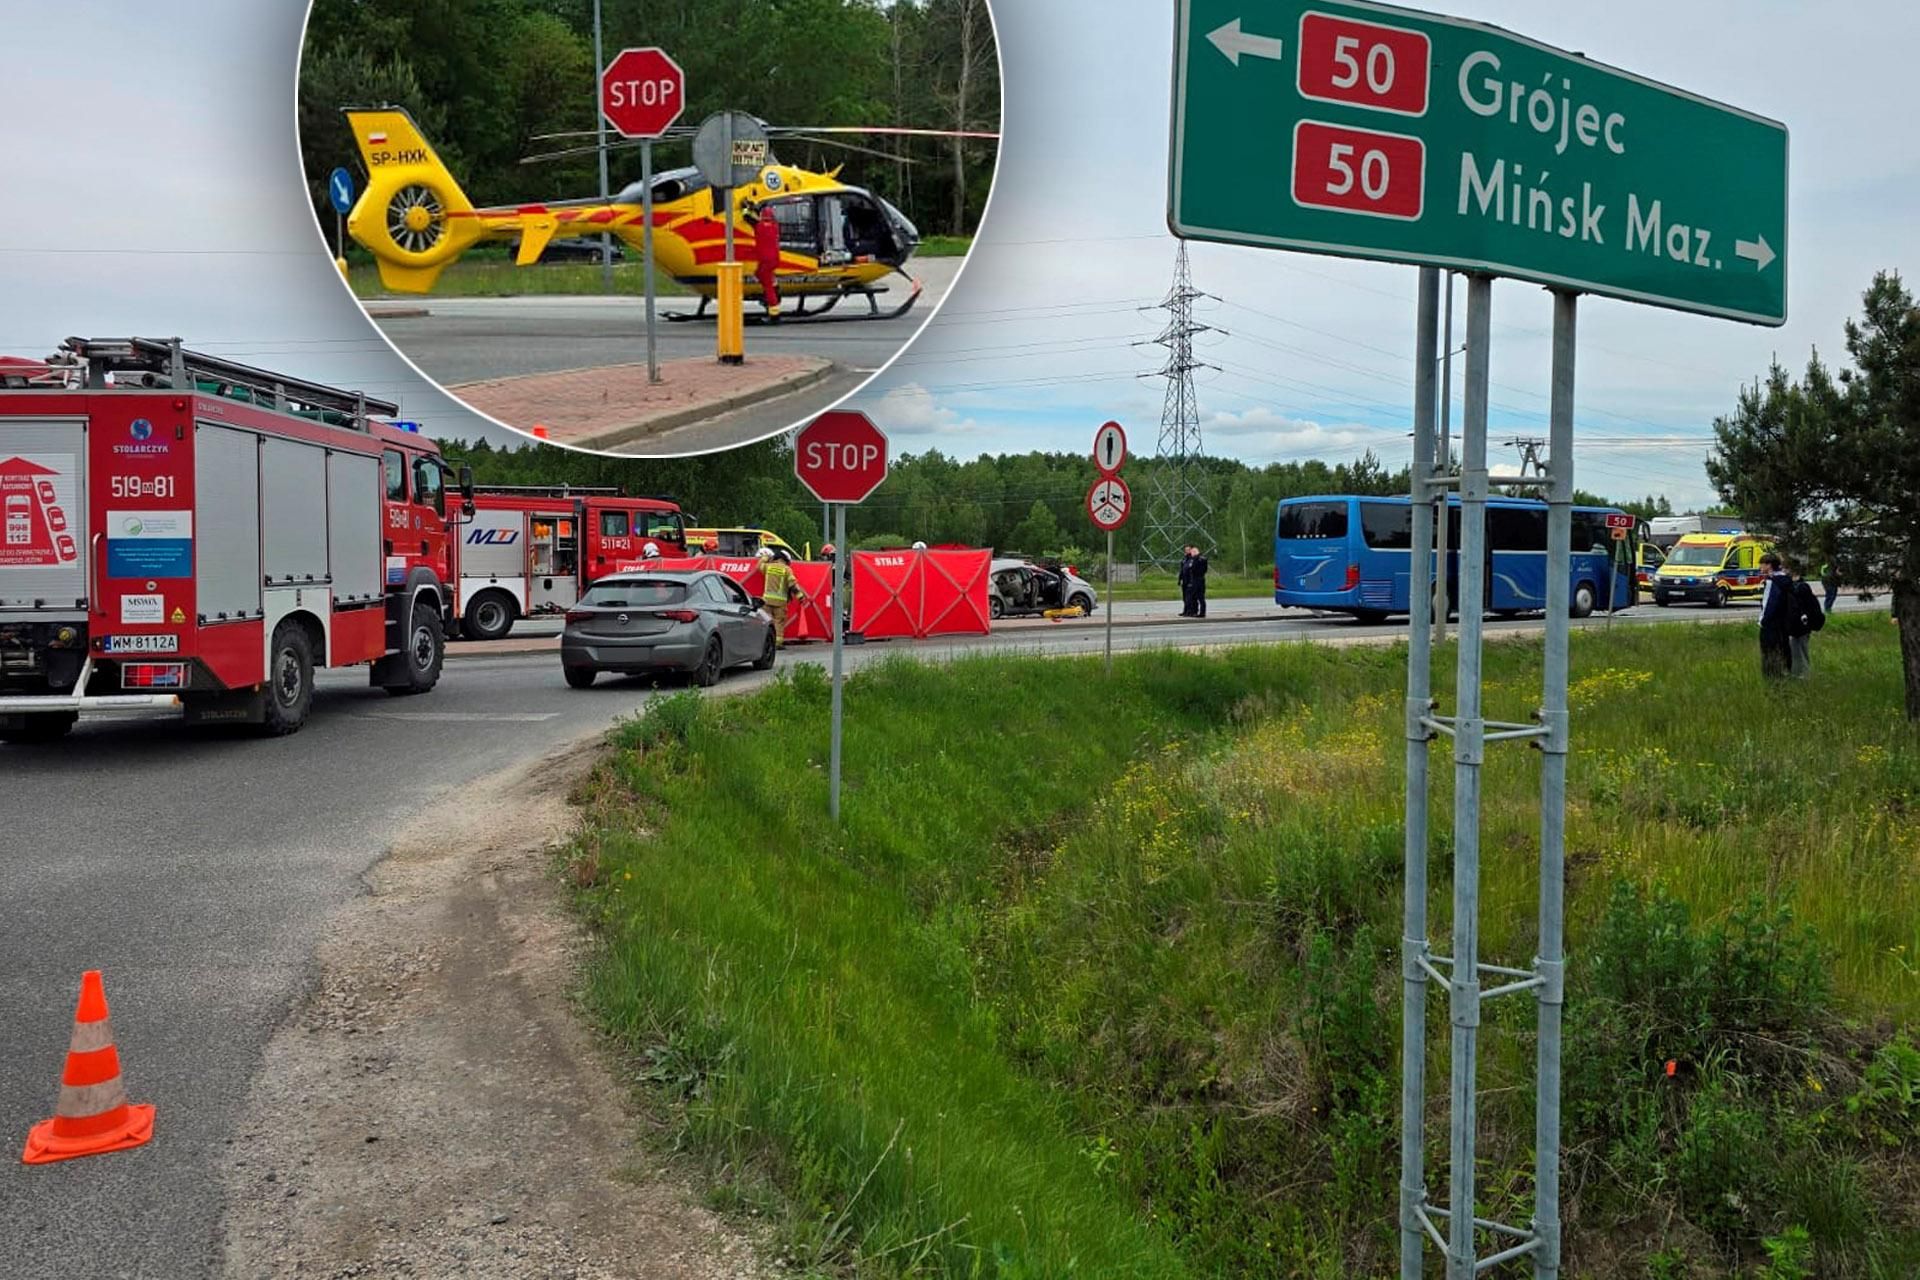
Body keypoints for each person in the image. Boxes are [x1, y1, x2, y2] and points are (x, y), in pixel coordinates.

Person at [1757, 552, 1793, 679]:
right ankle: (1785, 672)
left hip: (1771, 625)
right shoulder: (1786, 581)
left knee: (1769, 652)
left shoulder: (1772, 582)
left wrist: (1763, 621)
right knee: (1783, 648)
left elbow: (1769, 604)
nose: (1760, 568)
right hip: (1783, 623)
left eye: (1762, 564)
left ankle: (1772, 677)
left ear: (1769, 565)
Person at [757, 546, 801, 647]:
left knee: (767, 622)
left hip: (766, 601)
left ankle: (766, 643)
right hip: (780, 603)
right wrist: (800, 596)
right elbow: (792, 584)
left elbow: (759, 566)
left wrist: (764, 557)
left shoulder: (768, 567)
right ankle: (777, 643)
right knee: (778, 623)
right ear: (785, 560)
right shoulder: (786, 569)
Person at [1788, 564, 1825, 678]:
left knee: (1799, 651)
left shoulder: (1800, 588)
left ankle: (1802, 675)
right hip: (1802, 626)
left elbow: (1802, 607)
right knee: (1798, 650)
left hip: (1801, 625)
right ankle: (1800, 673)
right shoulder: (1799, 587)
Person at [747, 201, 782, 322]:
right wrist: (755, 209)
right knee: (760, 275)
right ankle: (775, 287)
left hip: (765, 261)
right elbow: (754, 219)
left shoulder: (759, 226)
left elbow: (746, 217)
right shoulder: (775, 226)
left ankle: (774, 313)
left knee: (767, 286)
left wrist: (747, 207)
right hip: (774, 259)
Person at [1189, 544, 1210, 618]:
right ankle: (1196, 611)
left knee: (1200, 597)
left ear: (1195, 552)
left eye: (1192, 552)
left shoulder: (1199, 559)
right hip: (1197, 579)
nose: (1191, 554)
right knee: (1196, 596)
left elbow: (1195, 569)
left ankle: (1201, 612)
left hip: (1198, 580)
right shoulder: (1198, 559)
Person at [1177, 547, 1197, 616]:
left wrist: (1192, 581)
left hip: (1190, 581)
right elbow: (1182, 571)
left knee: (1190, 597)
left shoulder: (1193, 559)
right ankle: (1185, 611)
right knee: (1184, 597)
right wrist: (1179, 579)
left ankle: (1191, 611)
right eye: (1185, 550)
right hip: (1184, 581)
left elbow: (1192, 572)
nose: (1186, 551)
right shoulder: (1184, 559)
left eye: (1188, 550)